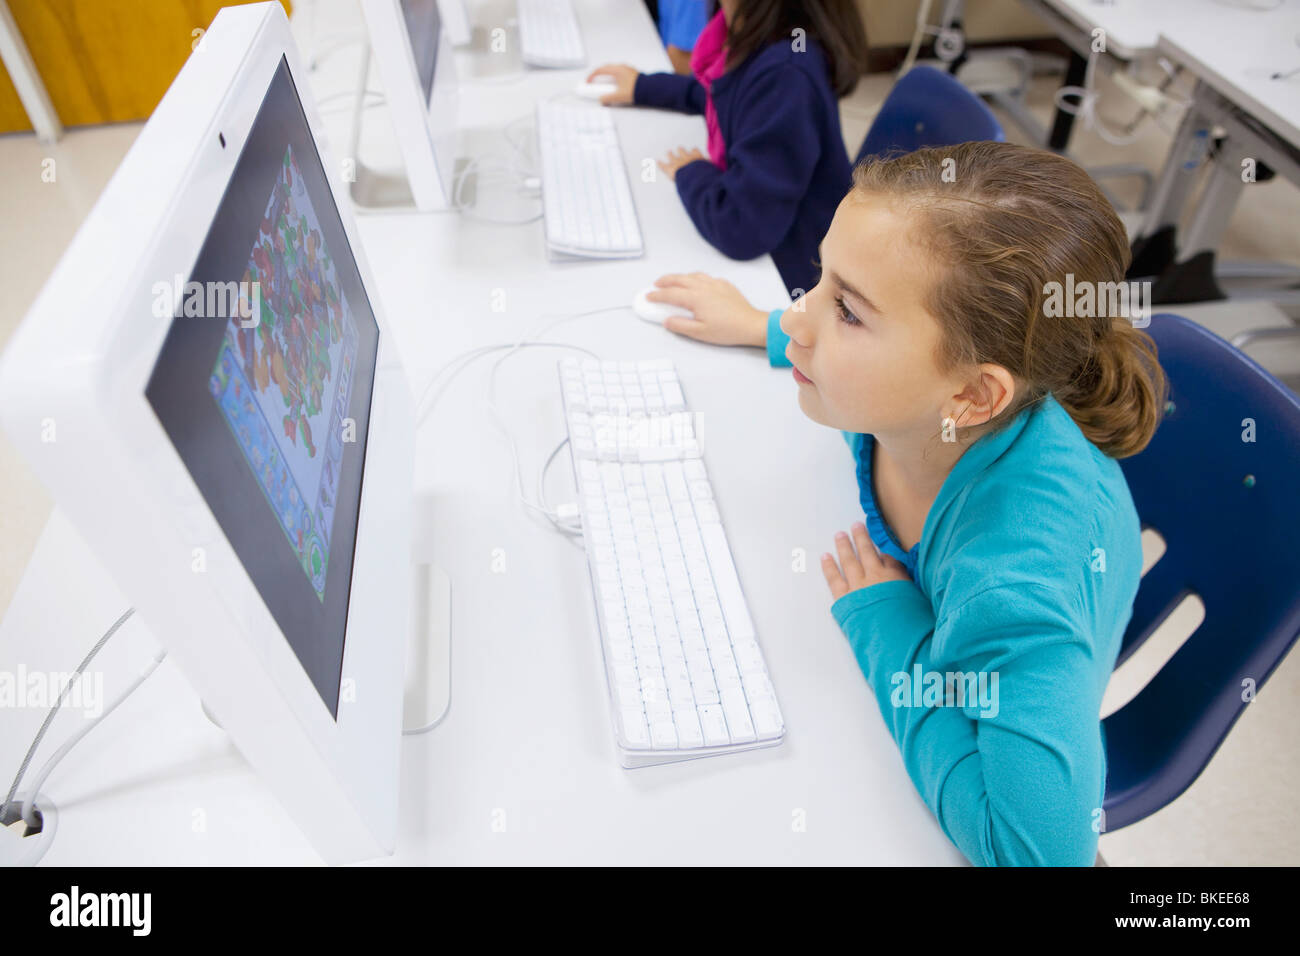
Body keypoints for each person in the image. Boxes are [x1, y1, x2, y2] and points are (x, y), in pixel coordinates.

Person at [645, 142, 1167, 866]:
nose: (801, 318)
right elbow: (840, 328)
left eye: (848, 312)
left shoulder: (1016, 588)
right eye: (819, 281)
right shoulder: (924, 405)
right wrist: (757, 328)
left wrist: (895, 635)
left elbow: (1040, 855)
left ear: (972, 395)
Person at [588, 0, 869, 298]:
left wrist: (692, 172)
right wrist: (644, 87)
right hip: (771, 241)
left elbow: (741, 227)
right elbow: (724, 92)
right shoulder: (755, 29)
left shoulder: (787, 73)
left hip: (795, 282)